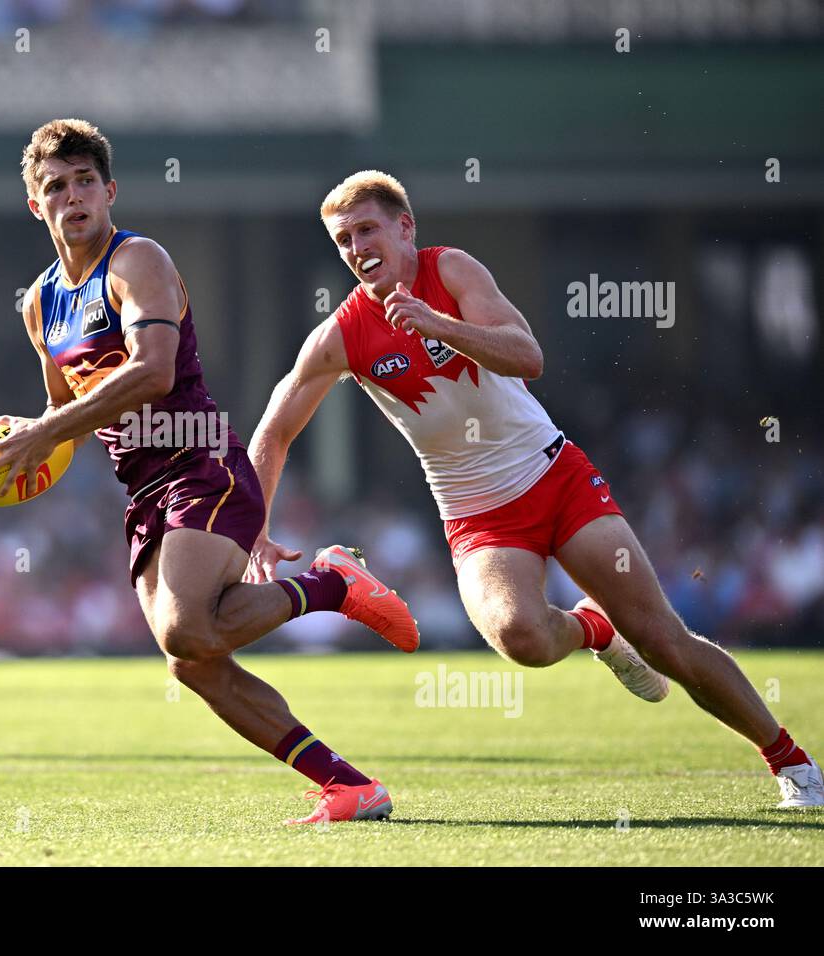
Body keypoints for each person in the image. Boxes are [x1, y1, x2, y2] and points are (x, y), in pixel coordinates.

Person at [246, 169, 821, 809]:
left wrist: (439, 325)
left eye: (367, 230)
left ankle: (793, 765)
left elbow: (528, 355)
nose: (356, 249)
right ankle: (598, 633)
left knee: (665, 640)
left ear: (405, 228)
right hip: (477, 517)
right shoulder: (341, 336)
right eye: (343, 240)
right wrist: (257, 533)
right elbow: (272, 435)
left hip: (554, 476)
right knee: (521, 638)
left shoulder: (453, 271)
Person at [0, 119, 418, 824]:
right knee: (193, 659)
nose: (72, 195)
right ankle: (349, 786)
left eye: (85, 180)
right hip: (142, 491)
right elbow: (67, 411)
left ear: (110, 190)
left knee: (185, 632)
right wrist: (26, 447)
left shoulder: (137, 260)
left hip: (201, 461)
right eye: (55, 186)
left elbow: (151, 373)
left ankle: (333, 583)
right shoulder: (38, 304)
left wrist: (49, 429)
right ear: (36, 206)